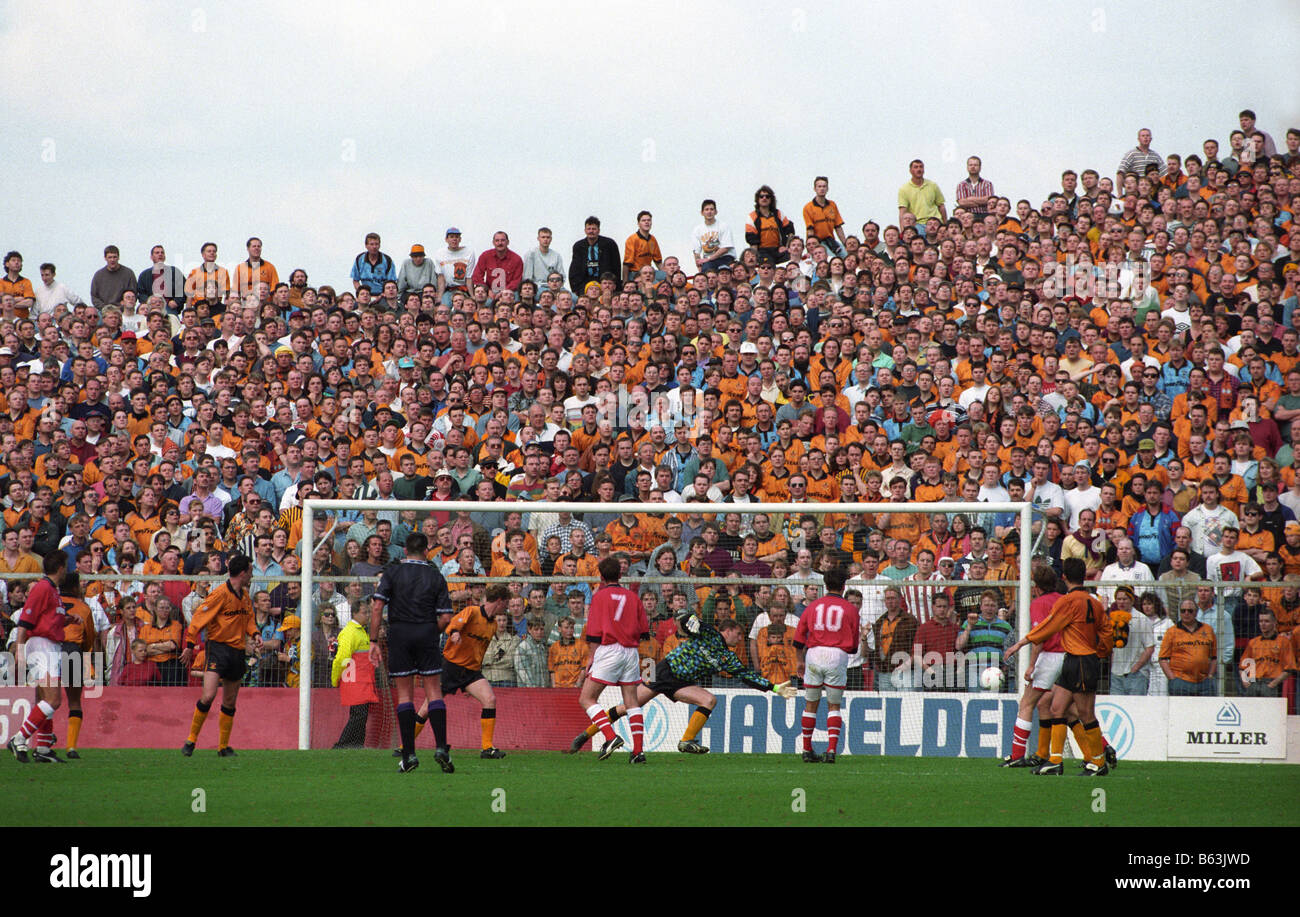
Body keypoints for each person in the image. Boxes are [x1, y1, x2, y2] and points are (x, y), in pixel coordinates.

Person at [566, 610, 796, 755]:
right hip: (662, 670)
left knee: (709, 699)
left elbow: (747, 676)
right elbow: (687, 619)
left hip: (680, 682)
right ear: (727, 631)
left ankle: (686, 742)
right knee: (628, 707)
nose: (740, 638)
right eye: (738, 634)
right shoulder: (709, 634)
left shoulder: (729, 658)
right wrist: (688, 619)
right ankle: (586, 735)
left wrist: (775, 688)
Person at [1003, 557, 1113, 776]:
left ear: (1064, 577)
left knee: (1085, 713)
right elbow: (1107, 631)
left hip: (1080, 660)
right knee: (1056, 708)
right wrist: (1101, 651)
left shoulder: (1068, 602)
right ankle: (1055, 760)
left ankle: (1098, 763)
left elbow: (1047, 628)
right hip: (1073, 660)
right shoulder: (1094, 601)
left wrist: (1020, 643)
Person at [370, 532, 455, 774]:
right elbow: (446, 617)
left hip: (400, 633)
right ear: (427, 550)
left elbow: (377, 606)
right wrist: (432, 631)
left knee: (405, 694)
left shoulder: (393, 572)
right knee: (433, 691)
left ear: (405, 550)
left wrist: (374, 640)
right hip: (426, 632)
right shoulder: (435, 575)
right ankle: (441, 748)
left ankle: (409, 755)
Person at [179, 554, 261, 758]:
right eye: (250, 571)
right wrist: (190, 643)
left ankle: (223, 746)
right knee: (208, 694)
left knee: (230, 701)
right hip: (218, 649)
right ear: (243, 573)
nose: (252, 575)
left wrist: (255, 633)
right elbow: (199, 617)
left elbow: (249, 619)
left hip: (237, 651)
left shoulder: (244, 595)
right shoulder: (219, 594)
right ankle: (191, 740)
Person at [577, 556, 650, 763]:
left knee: (586, 698)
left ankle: (611, 737)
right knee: (632, 702)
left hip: (609, 649)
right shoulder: (633, 597)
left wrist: (592, 656)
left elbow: (593, 632)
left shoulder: (599, 596)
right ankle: (638, 752)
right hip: (631, 651)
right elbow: (645, 631)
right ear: (620, 574)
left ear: (601, 576)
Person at [431, 584, 510, 759]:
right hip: (451, 666)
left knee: (490, 699)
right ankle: (404, 745)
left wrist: (471, 684)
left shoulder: (493, 625)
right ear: (499, 601)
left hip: (471, 671)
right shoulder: (472, 611)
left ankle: (487, 748)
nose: (507, 607)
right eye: (506, 603)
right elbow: (452, 625)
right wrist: (454, 634)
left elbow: (479, 651)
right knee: (428, 706)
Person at [7, 550, 70, 764]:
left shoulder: (52, 590)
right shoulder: (43, 587)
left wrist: (68, 619)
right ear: (60, 567)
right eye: (66, 565)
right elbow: (25, 620)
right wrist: (20, 649)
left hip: (50, 645)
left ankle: (43, 748)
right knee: (54, 699)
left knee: (46, 699)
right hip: (42, 645)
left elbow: (48, 619)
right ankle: (19, 738)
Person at [793, 566, 860, 764]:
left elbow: (798, 637)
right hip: (837, 655)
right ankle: (831, 750)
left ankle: (806, 749)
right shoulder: (850, 609)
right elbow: (854, 645)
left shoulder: (813, 606)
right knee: (834, 705)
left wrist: (799, 660)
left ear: (825, 585)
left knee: (811, 703)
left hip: (813, 654)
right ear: (844, 585)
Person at [331, 598, 377, 749]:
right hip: (355, 679)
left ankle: (356, 744)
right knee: (359, 714)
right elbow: (342, 658)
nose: (368, 615)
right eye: (365, 613)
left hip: (361, 679)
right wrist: (335, 678)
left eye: (369, 612)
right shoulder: (350, 632)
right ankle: (343, 744)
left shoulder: (359, 631)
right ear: (355, 613)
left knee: (360, 713)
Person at [1158, 599, 1218, 696]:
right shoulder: (1171, 632)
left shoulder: (1208, 629)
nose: (1186, 613)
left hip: (1204, 682)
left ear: (1196, 612)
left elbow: (1214, 657)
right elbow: (1162, 659)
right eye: (1183, 611)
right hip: (1180, 682)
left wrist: (1210, 676)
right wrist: (1172, 678)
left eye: (1190, 611)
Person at [1238, 609, 1294, 697]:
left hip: (1271, 683)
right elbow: (1242, 666)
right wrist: (1245, 681)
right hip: (1254, 682)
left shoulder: (1283, 642)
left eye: (1267, 621)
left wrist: (1273, 684)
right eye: (1261, 621)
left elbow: (1289, 668)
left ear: (1274, 622)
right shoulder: (1253, 642)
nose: (1263, 624)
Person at [568, 216, 620, 295]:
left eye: (594, 229)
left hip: (604, 280)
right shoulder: (578, 246)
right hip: (585, 281)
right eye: (589, 229)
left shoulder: (609, 244)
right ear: (585, 230)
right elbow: (574, 268)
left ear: (598, 230)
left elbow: (616, 266)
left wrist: (617, 286)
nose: (591, 231)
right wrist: (575, 288)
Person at [897, 159, 947, 225]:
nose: (919, 169)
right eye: (916, 167)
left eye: (921, 167)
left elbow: (941, 206)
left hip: (935, 221)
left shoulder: (933, 185)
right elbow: (902, 212)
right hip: (917, 223)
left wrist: (945, 224)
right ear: (910, 171)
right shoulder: (904, 189)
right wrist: (902, 231)